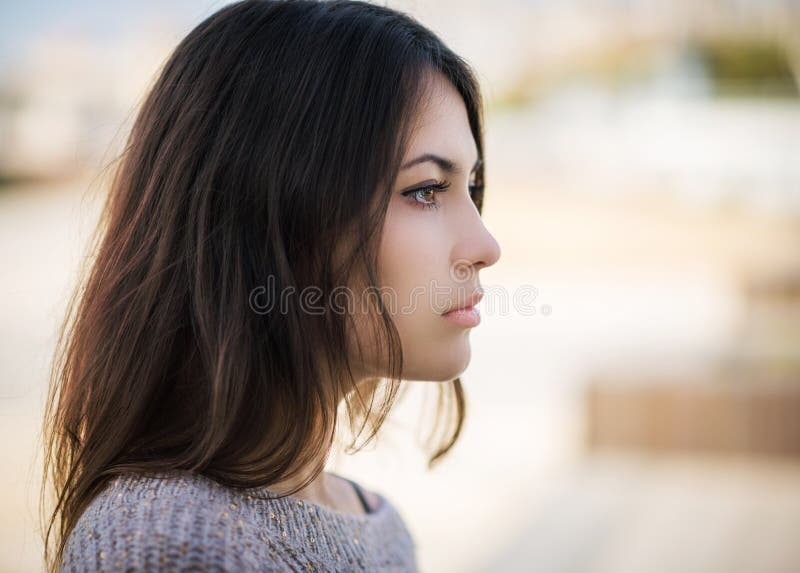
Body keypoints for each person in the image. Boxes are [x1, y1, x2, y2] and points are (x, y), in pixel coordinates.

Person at [41, 0, 501, 571]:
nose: (486, 247)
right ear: (273, 211)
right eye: (425, 189)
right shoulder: (169, 543)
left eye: (471, 186)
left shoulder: (376, 523)